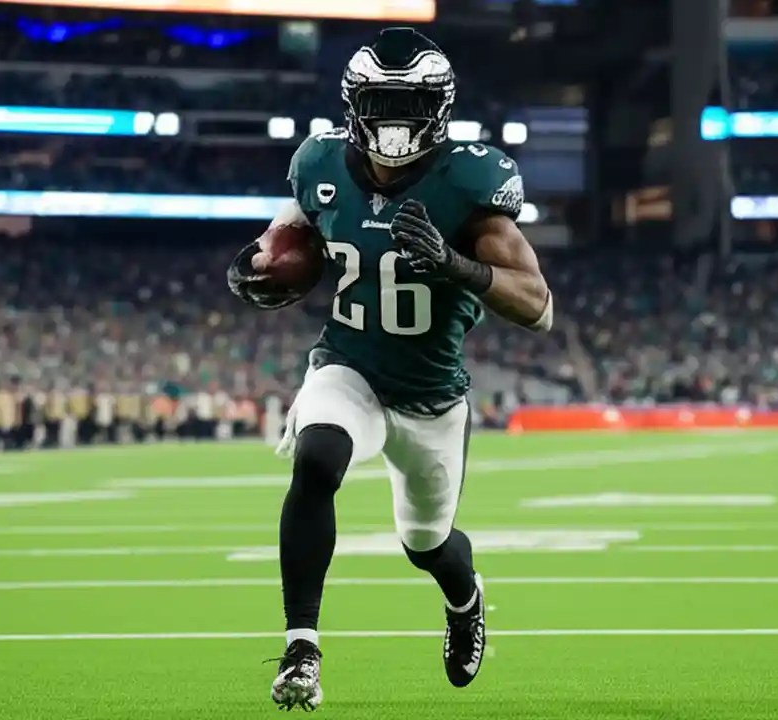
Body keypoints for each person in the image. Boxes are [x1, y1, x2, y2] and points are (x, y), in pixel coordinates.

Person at [228, 28, 553, 711]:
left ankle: (465, 601)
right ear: (354, 105)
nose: (395, 121)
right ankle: (302, 649)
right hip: (349, 365)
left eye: (409, 103)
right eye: (381, 102)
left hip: (432, 396)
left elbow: (539, 305)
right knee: (317, 461)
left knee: (428, 543)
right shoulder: (318, 162)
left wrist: (457, 265)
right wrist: (252, 266)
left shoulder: (468, 179)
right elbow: (283, 238)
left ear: (440, 107)